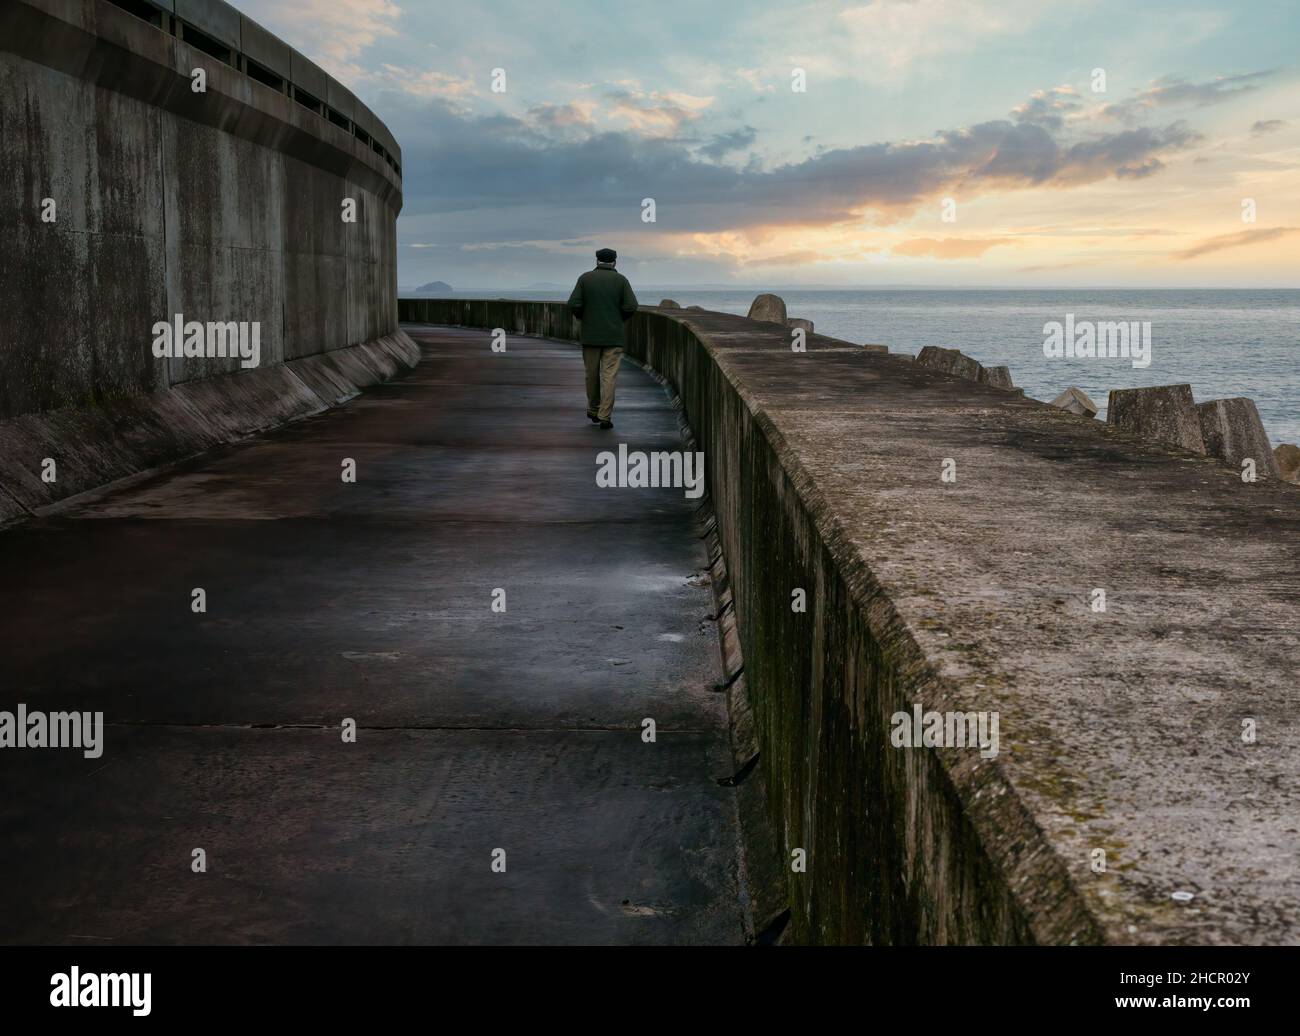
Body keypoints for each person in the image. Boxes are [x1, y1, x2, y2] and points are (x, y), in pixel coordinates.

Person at [566, 248, 638, 429]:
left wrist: (584, 317)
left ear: (597, 260)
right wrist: (618, 319)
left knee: (591, 374)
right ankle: (605, 416)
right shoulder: (621, 280)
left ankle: (592, 409)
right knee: (609, 377)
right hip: (613, 337)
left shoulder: (585, 278)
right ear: (615, 261)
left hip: (590, 336)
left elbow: (573, 303)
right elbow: (631, 306)